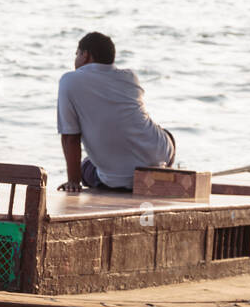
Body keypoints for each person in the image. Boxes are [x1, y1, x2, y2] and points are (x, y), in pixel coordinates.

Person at [56, 32, 176, 194]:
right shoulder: (130, 77)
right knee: (167, 136)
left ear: (85, 55)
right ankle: (160, 177)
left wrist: (73, 182)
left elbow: (70, 137)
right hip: (158, 158)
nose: (75, 59)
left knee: (87, 167)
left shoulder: (69, 81)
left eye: (77, 54)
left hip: (116, 180)